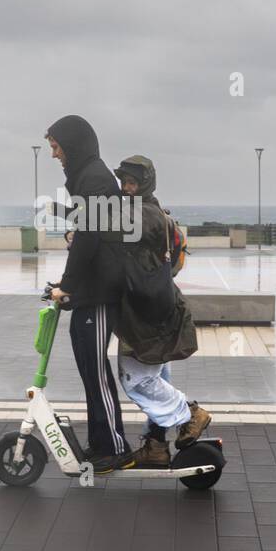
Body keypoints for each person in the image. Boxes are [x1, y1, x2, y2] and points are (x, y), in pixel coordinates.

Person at [44, 115, 135, 473]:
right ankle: (101, 442)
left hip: (98, 293)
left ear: (73, 145)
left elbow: (90, 237)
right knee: (89, 368)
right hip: (89, 291)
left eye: (56, 147)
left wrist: (66, 285)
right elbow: (87, 230)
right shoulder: (86, 177)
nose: (54, 155)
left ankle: (115, 447)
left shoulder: (94, 177)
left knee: (96, 372)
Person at [112, 156, 212, 467]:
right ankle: (155, 447)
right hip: (158, 309)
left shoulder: (146, 215)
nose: (127, 188)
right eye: (123, 182)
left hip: (146, 317)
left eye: (132, 183)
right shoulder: (147, 211)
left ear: (145, 184)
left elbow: (115, 230)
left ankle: (190, 414)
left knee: (137, 380)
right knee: (158, 378)